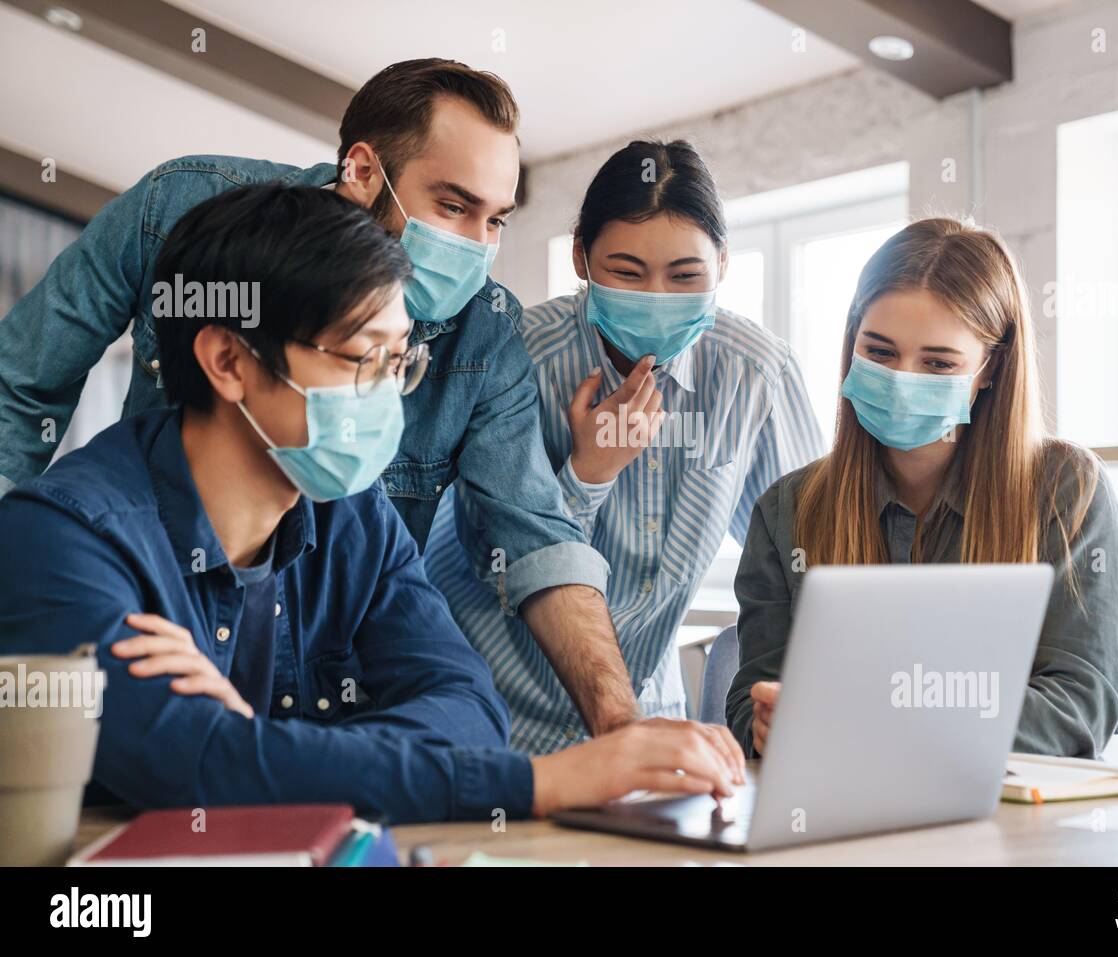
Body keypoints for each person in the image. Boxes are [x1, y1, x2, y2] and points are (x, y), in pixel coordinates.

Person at [0, 185, 746, 823]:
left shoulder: (350, 512)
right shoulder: (61, 542)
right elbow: (187, 769)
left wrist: (252, 745)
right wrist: (541, 781)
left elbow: (469, 709)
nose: (389, 394)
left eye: (401, 362)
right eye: (362, 359)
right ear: (228, 360)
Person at [0, 58, 643, 739]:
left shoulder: (483, 339)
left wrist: (619, 721)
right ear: (363, 170)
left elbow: (536, 536)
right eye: (453, 206)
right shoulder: (183, 212)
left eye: (496, 222)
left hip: (325, 679)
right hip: (158, 613)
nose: (475, 248)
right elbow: (20, 388)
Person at [426, 140, 823, 752]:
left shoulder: (756, 375)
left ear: (723, 263)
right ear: (582, 258)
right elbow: (491, 565)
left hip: (648, 717)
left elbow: (805, 562)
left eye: (686, 275)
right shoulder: (518, 355)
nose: (658, 298)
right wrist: (588, 472)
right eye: (627, 272)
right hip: (497, 718)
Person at [726, 218, 1118, 760]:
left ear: (990, 368)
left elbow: (1080, 707)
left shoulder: (1068, 491)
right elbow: (753, 697)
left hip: (1007, 818)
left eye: (938, 363)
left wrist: (884, 718)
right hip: (839, 810)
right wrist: (768, 721)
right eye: (880, 352)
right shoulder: (787, 509)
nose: (901, 377)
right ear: (851, 343)